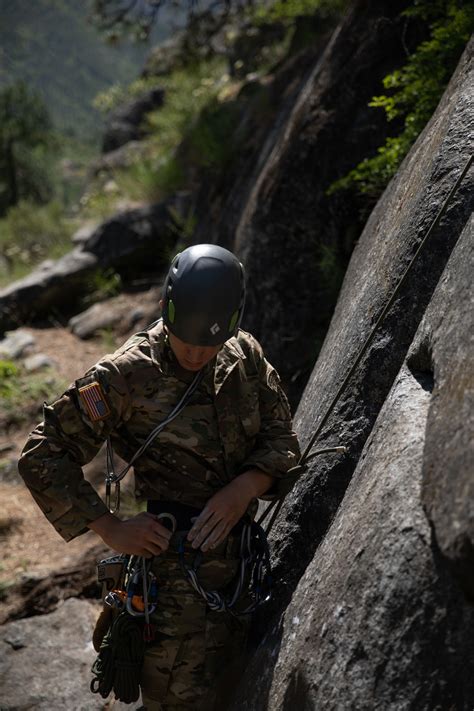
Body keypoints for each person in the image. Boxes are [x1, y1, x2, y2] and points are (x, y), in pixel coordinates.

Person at [18, 244, 301, 710]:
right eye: (185, 338)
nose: (195, 352)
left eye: (209, 342)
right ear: (168, 309)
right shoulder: (124, 376)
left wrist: (247, 485)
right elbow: (43, 452)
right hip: (171, 590)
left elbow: (282, 438)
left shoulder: (243, 357)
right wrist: (110, 528)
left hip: (242, 575)